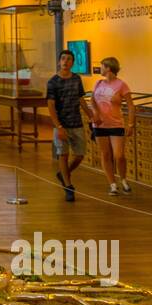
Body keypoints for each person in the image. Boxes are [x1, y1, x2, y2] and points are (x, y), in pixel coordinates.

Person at [86, 56, 135, 195]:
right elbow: (92, 100)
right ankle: (112, 184)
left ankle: (123, 179)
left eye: (102, 66)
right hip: (100, 124)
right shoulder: (98, 83)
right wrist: (94, 114)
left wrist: (131, 124)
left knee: (119, 155)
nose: (100, 69)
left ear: (108, 68)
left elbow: (131, 106)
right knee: (105, 154)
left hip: (116, 123)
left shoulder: (121, 85)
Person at [45, 49, 86, 202]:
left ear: (72, 63)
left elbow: (81, 98)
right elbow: (50, 105)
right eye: (63, 59)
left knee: (80, 155)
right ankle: (68, 186)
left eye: (69, 59)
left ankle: (64, 174)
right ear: (59, 61)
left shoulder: (77, 79)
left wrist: (92, 116)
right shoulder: (53, 82)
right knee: (63, 154)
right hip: (61, 124)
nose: (66, 61)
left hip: (77, 123)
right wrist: (59, 126)